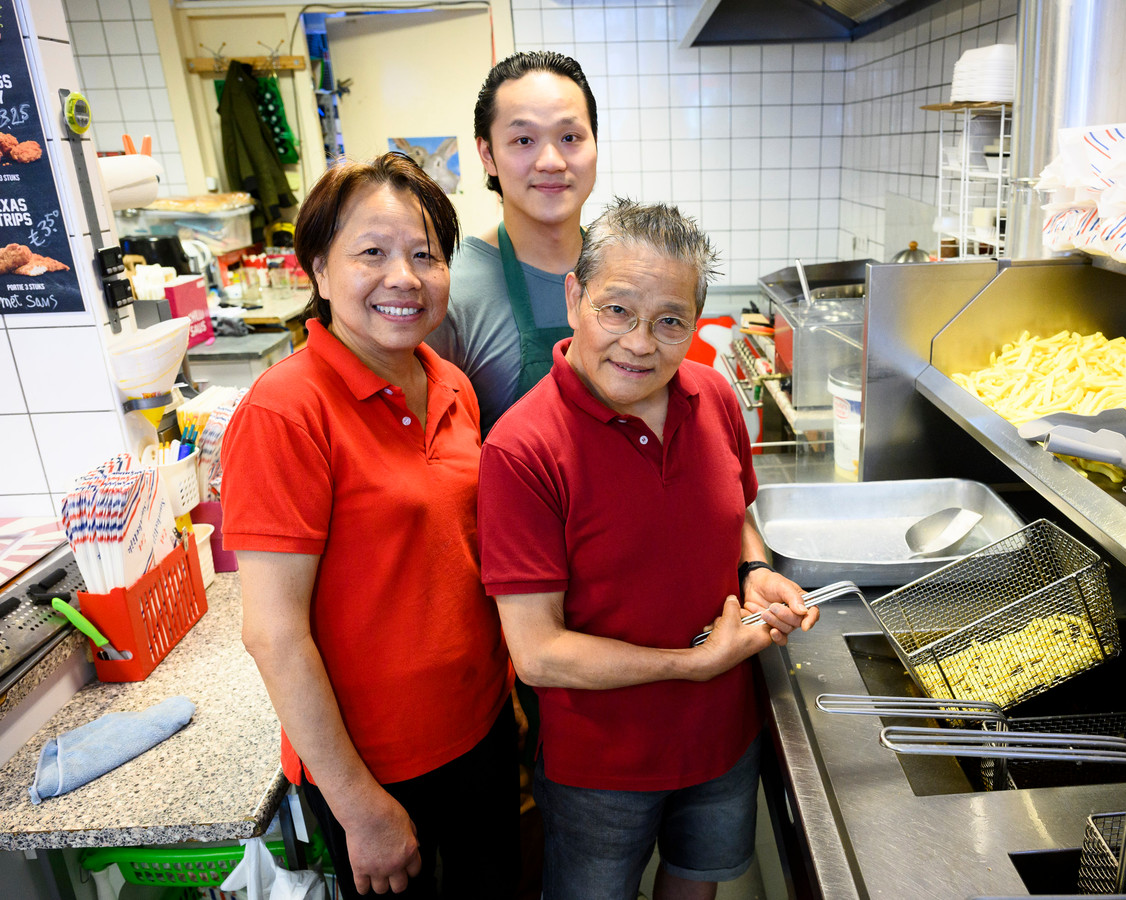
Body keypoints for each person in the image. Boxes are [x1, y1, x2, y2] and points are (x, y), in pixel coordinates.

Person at [477, 198, 820, 900]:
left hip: (723, 737)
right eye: (617, 310)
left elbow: (735, 516)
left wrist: (752, 569)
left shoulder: (713, 397)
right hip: (603, 766)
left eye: (669, 322)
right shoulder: (521, 449)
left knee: (696, 883)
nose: (639, 344)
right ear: (575, 297)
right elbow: (537, 653)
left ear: (695, 324)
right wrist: (692, 665)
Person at [222, 152, 517, 899]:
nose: (405, 278)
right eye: (372, 254)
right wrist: (359, 808)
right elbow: (274, 632)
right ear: (319, 271)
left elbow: (456, 558)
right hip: (375, 769)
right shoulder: (286, 412)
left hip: (478, 735)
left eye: (426, 255)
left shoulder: (448, 382)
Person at [425, 50, 598, 438]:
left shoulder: (624, 274)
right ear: (487, 154)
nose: (551, 160)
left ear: (595, 144)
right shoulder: (450, 290)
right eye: (524, 140)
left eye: (570, 137)